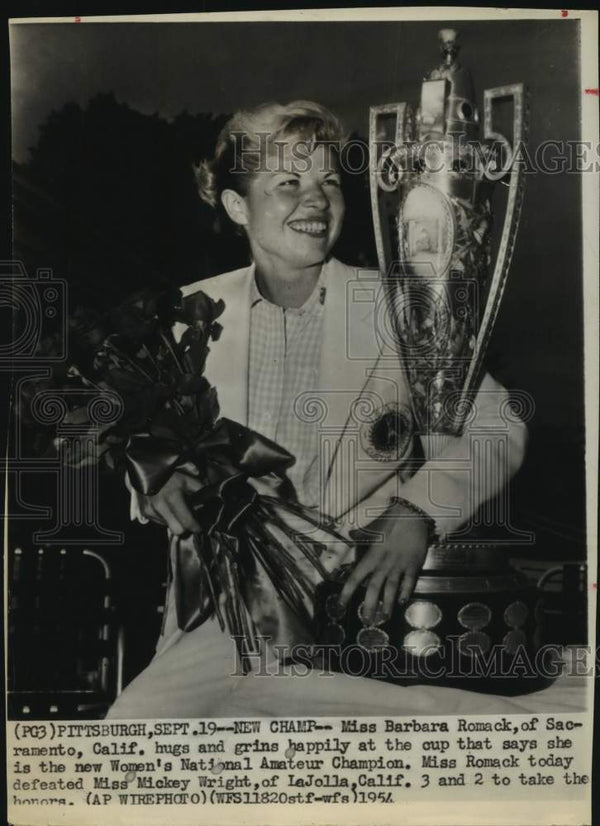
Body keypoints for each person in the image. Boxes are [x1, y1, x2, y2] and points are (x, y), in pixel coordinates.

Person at [107, 101, 527, 718]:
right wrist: (155, 478)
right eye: (288, 183)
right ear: (235, 207)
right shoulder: (183, 316)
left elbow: (501, 422)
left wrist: (418, 511)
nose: (317, 200)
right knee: (134, 734)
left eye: (329, 181)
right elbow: (145, 441)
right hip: (229, 617)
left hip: (363, 604)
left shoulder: (398, 306)